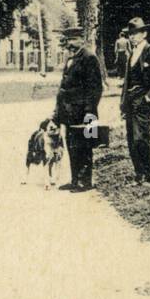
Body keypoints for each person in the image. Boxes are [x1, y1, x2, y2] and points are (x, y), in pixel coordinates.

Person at [52, 26, 104, 192]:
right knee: (72, 145)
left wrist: (89, 111)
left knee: (85, 146)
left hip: (85, 112)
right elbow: (64, 87)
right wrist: (57, 112)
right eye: (68, 40)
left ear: (82, 40)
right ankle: (75, 180)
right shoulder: (71, 58)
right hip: (70, 112)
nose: (70, 43)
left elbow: (95, 88)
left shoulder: (89, 57)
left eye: (73, 39)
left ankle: (85, 182)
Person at [118, 17, 150, 183]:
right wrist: (123, 104)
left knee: (141, 139)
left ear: (144, 34)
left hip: (143, 101)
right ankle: (139, 175)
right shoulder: (131, 54)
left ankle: (149, 174)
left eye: (136, 33)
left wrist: (148, 97)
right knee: (131, 139)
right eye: (130, 34)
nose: (132, 36)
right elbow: (127, 81)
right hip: (130, 102)